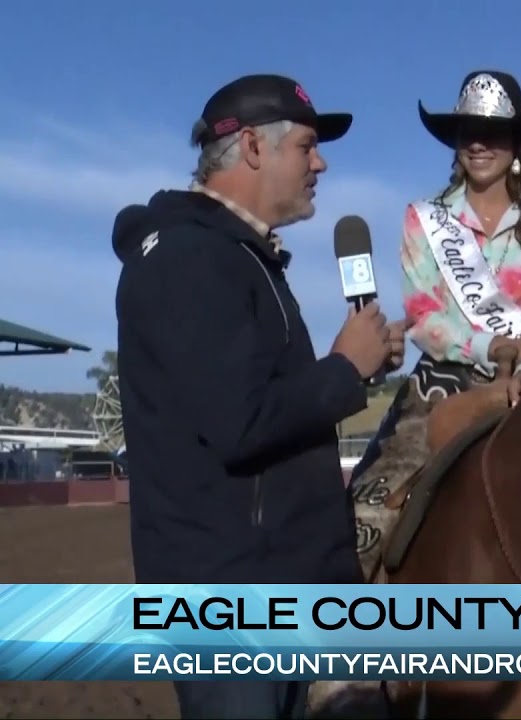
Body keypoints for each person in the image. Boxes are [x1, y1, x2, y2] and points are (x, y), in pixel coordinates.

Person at [112, 73, 405, 719]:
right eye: (307, 145)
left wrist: (353, 363)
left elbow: (253, 400)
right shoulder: (190, 258)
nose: (321, 161)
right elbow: (239, 422)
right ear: (252, 147)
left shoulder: (237, 257)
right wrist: (343, 370)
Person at [346, 69, 521, 583]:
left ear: (517, 143)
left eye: (492, 132)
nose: (478, 143)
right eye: (466, 130)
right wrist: (495, 344)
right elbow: (426, 317)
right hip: (441, 385)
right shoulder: (424, 219)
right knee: (365, 513)